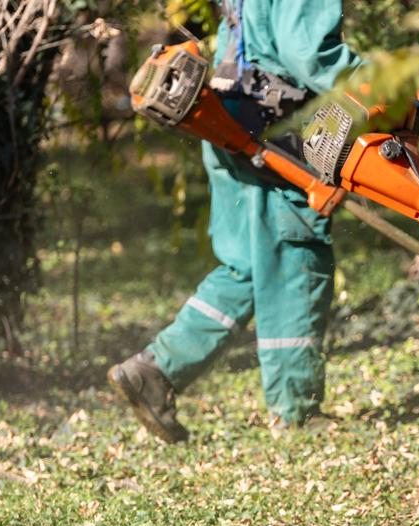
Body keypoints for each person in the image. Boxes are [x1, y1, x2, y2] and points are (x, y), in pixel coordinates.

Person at [109, 1, 359, 442]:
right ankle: (296, 412)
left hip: (226, 119)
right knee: (295, 259)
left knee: (246, 265)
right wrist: (384, 85)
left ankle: (157, 370)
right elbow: (307, 53)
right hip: (274, 134)